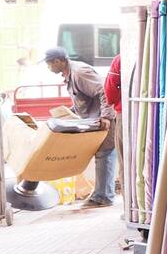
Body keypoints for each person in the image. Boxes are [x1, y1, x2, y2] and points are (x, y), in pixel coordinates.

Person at [43, 46, 116, 208]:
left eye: (49, 64)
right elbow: (83, 100)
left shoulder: (80, 72)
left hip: (105, 119)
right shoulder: (70, 74)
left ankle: (103, 196)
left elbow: (104, 91)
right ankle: (100, 194)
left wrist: (106, 116)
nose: (48, 68)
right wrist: (67, 113)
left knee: (104, 154)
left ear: (58, 61)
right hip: (96, 119)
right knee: (102, 155)